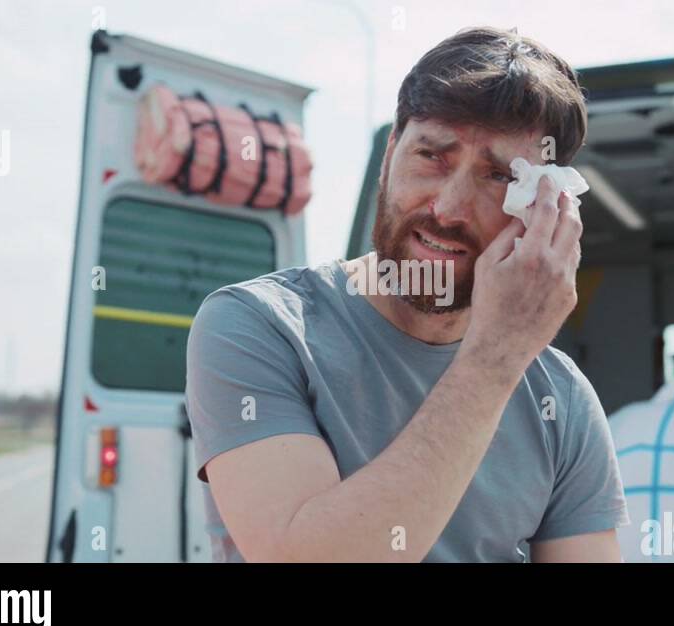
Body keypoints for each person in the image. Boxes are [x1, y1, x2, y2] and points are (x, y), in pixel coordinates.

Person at [185, 26, 629, 562]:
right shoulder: (259, 328)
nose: (448, 207)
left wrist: (508, 353)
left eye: (496, 176)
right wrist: (496, 358)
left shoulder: (561, 397)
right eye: (433, 157)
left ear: (543, 206)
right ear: (391, 152)